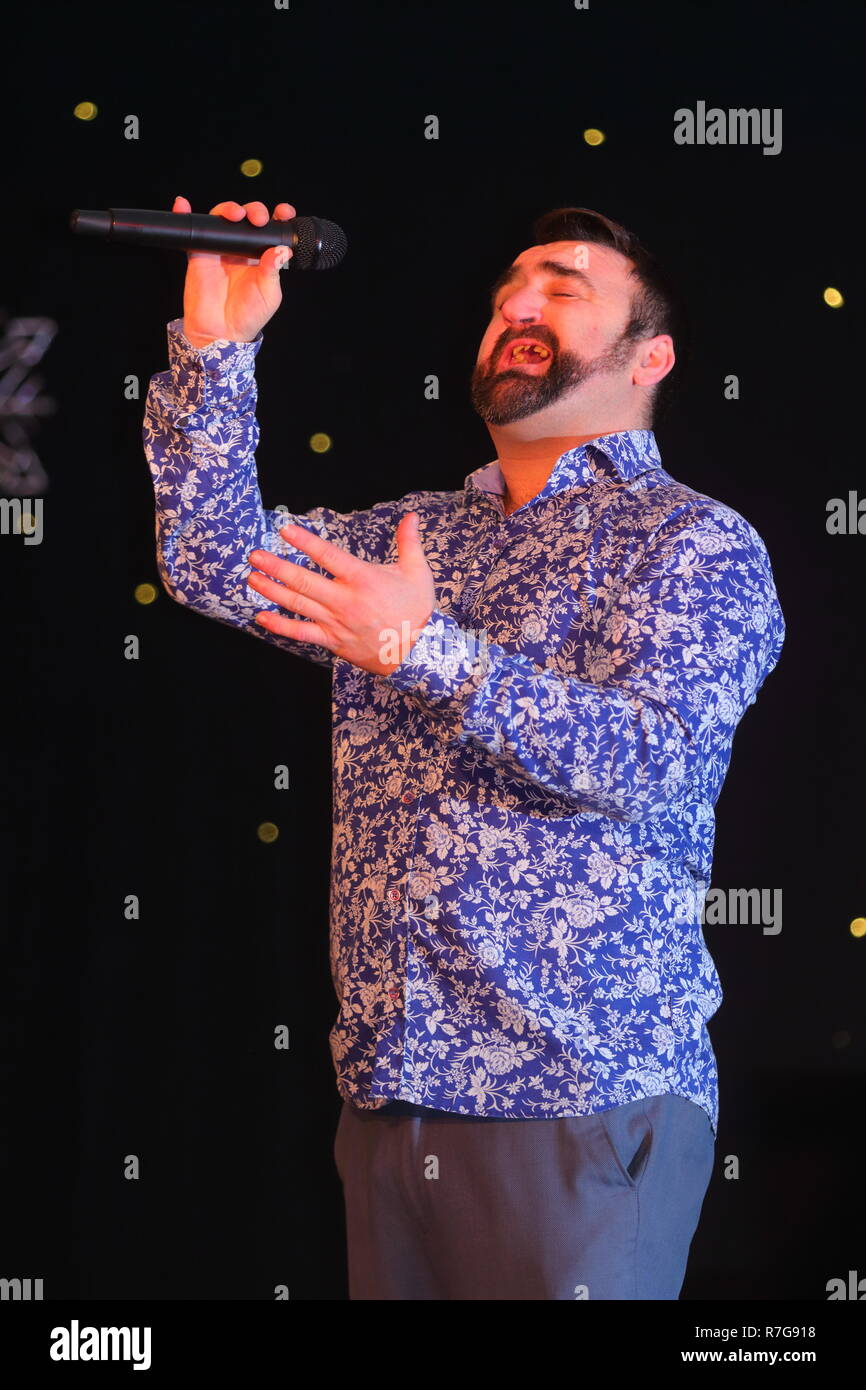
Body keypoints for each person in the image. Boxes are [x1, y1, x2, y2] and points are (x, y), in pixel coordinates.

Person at [143, 197, 785, 1300]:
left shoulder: (694, 539)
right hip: (392, 1098)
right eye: (503, 296)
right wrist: (216, 345)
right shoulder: (422, 532)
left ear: (652, 357)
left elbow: (645, 760)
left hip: (577, 1093)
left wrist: (420, 648)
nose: (517, 305)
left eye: (561, 288)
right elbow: (213, 560)